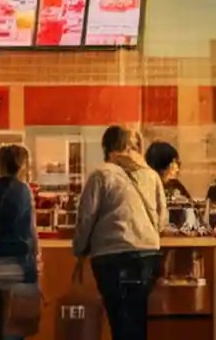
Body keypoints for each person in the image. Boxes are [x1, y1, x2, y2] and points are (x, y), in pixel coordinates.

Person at [73, 126, 166, 340]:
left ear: (106, 147)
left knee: (119, 319)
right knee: (137, 318)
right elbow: (162, 221)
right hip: (146, 254)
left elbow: (86, 217)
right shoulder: (151, 175)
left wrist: (79, 250)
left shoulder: (101, 174)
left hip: (111, 256)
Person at [0, 145, 40, 340]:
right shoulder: (25, 191)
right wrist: (37, 261)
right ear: (24, 165)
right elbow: (32, 230)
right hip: (19, 262)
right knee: (17, 323)